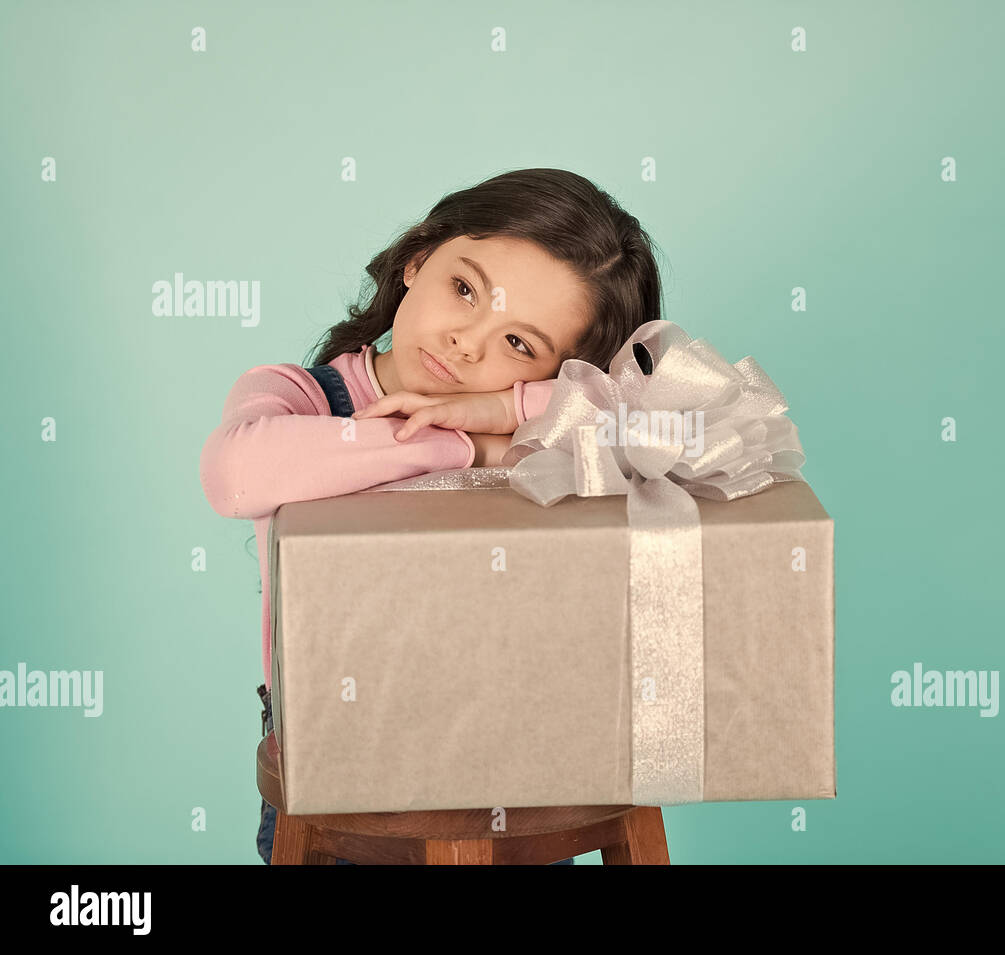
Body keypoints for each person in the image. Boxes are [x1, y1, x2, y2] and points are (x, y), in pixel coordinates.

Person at [200, 168, 666, 864]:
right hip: (338, 756)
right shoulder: (300, 398)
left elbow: (680, 420)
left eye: (519, 344)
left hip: (516, 759)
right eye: (465, 290)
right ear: (417, 259)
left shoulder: (552, 428)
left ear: (558, 375)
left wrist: (508, 410)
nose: (467, 343)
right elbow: (234, 474)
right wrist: (457, 441)